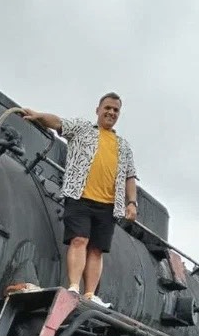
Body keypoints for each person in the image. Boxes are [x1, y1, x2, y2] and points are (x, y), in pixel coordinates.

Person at [22, 94, 138, 306]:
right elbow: (58, 122)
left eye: (115, 110)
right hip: (80, 196)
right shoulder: (82, 129)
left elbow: (130, 176)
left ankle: (90, 293)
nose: (111, 113)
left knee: (96, 249)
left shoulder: (124, 146)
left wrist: (132, 202)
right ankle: (74, 286)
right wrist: (38, 116)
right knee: (79, 240)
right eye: (108, 108)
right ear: (98, 110)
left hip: (109, 204)